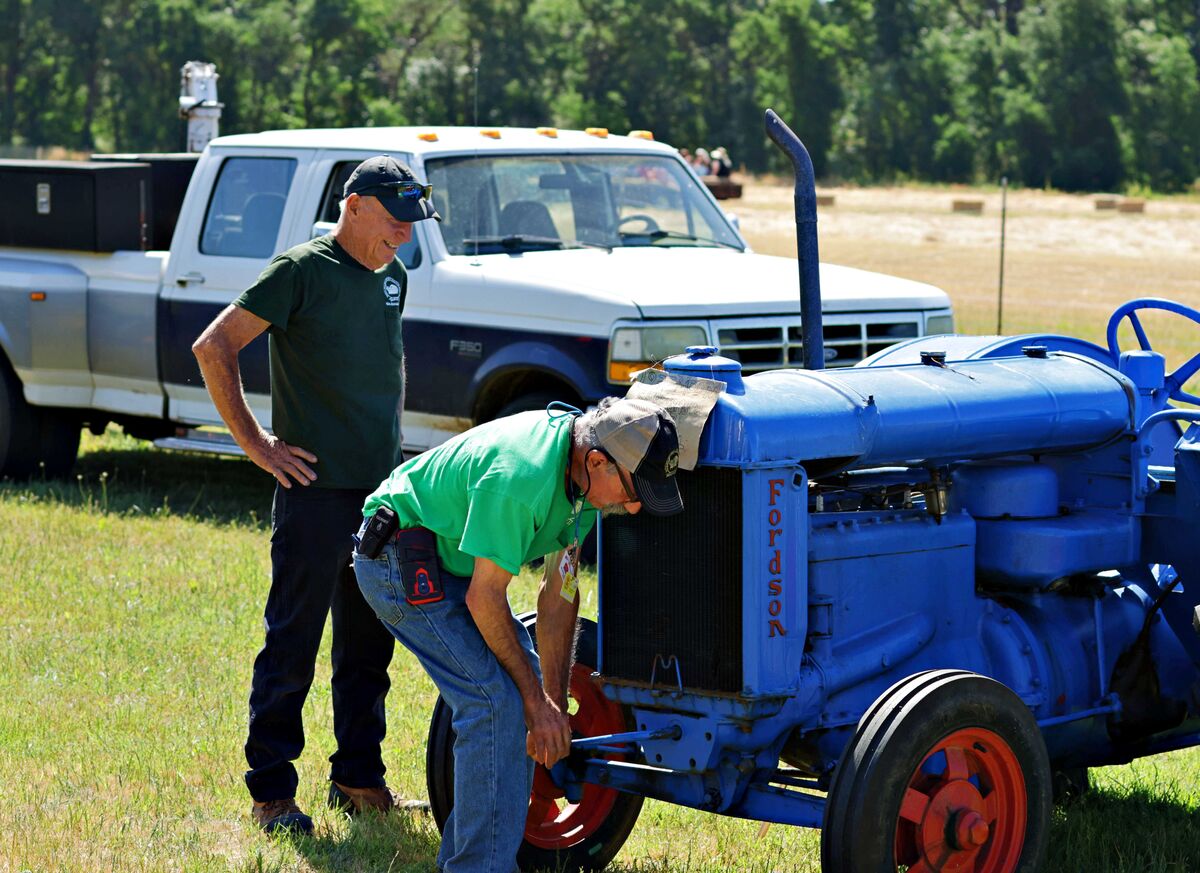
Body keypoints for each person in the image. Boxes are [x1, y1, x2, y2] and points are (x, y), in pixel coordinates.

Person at [192, 155, 440, 835]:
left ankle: (359, 777)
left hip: (381, 498)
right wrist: (259, 445)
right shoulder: (300, 270)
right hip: (313, 498)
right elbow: (214, 347)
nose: (405, 237)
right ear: (353, 205)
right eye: (394, 222)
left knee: (368, 649)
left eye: (412, 225)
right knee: (292, 644)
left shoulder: (395, 275)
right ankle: (272, 792)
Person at [352, 397, 683, 872]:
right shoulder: (521, 480)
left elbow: (559, 594)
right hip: (397, 557)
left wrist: (552, 698)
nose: (633, 507)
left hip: (455, 564)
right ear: (596, 461)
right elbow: (485, 599)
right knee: (493, 703)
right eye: (633, 489)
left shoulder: (583, 481)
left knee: (517, 702)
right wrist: (532, 702)